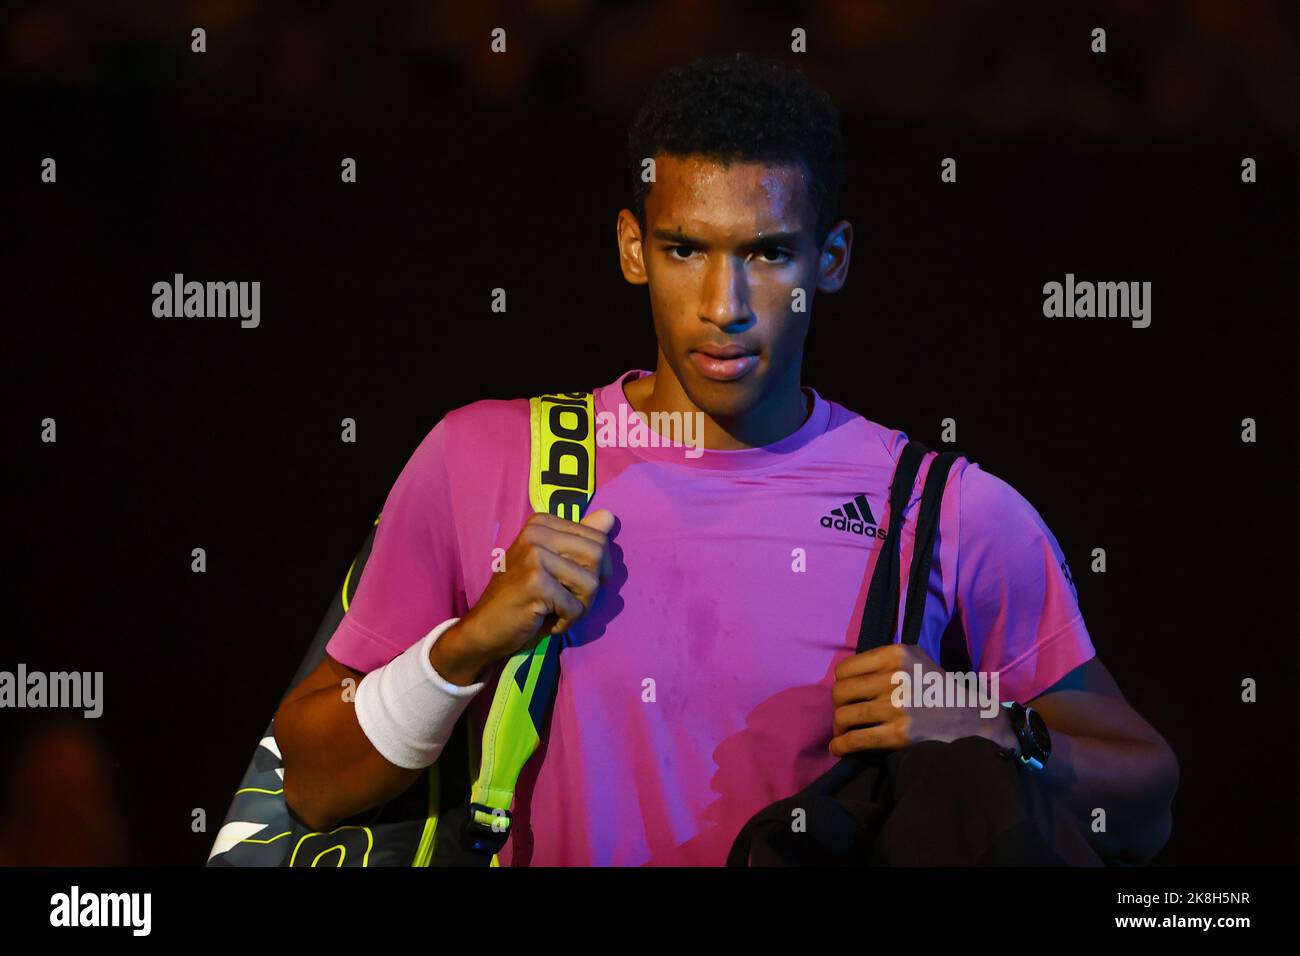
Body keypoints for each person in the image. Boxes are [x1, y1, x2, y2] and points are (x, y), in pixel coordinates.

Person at [274, 51, 1178, 866]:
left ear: (831, 259)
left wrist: (994, 722)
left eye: (767, 253)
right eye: (685, 249)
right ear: (633, 248)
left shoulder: (949, 509)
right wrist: (466, 647)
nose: (725, 304)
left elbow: (1146, 797)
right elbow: (314, 783)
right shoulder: (481, 456)